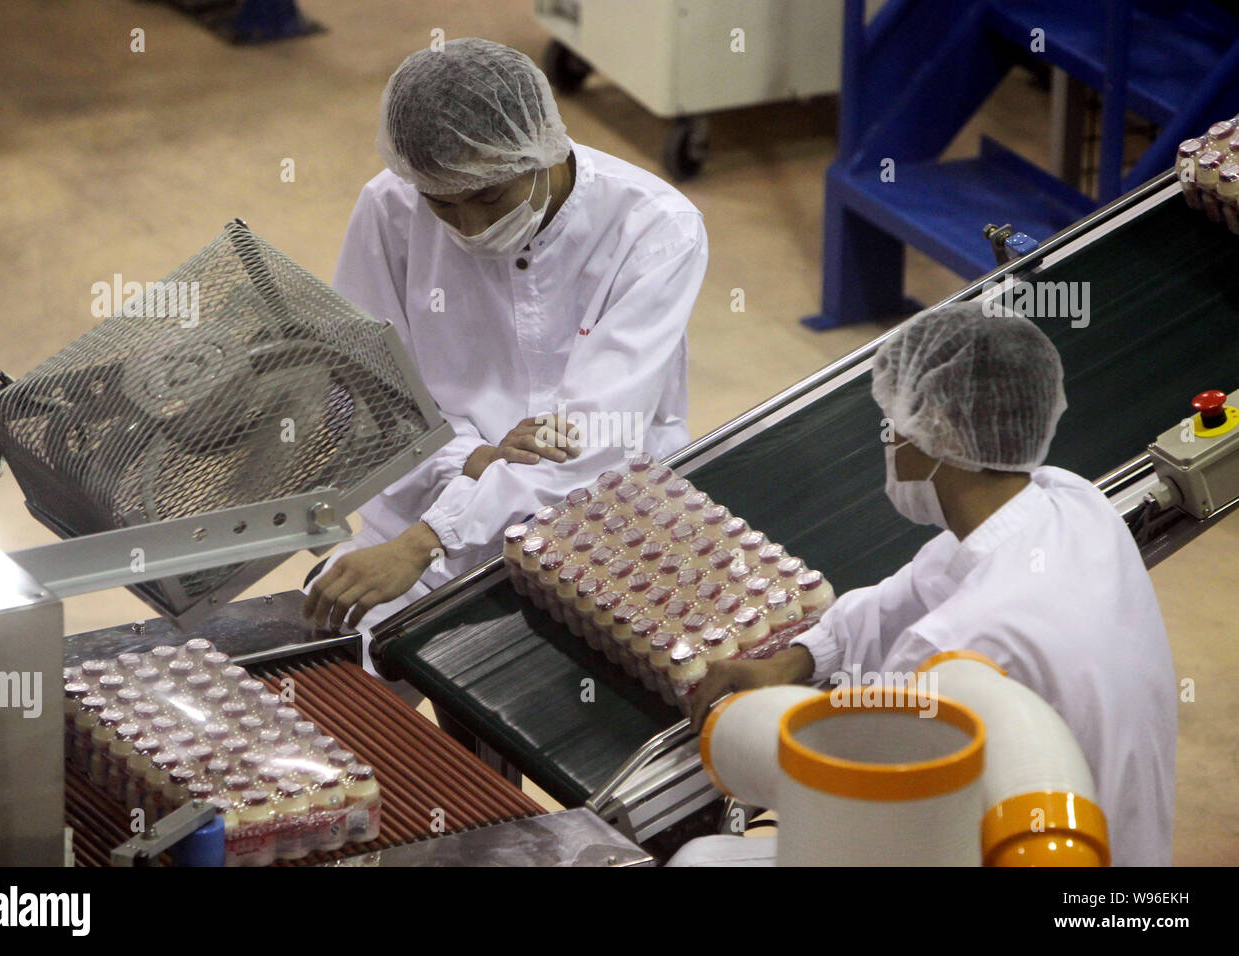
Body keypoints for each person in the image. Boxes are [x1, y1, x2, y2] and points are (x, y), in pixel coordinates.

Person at [674, 303, 1176, 867]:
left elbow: (865, 817)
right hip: (1127, 850)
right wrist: (793, 660)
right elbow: (907, 594)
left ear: (935, 434)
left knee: (701, 859)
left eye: (893, 423)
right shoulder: (1070, 499)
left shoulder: (955, 650)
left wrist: (772, 816)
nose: (887, 439)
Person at [302, 39, 708, 670]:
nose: (467, 226)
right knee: (335, 667)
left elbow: (591, 442)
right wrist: (470, 464)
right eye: (444, 205)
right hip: (429, 492)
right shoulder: (392, 205)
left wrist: (430, 538)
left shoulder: (653, 229)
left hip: (605, 517)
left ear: (542, 151)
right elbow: (374, 393)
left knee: (591, 703)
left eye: (489, 198)